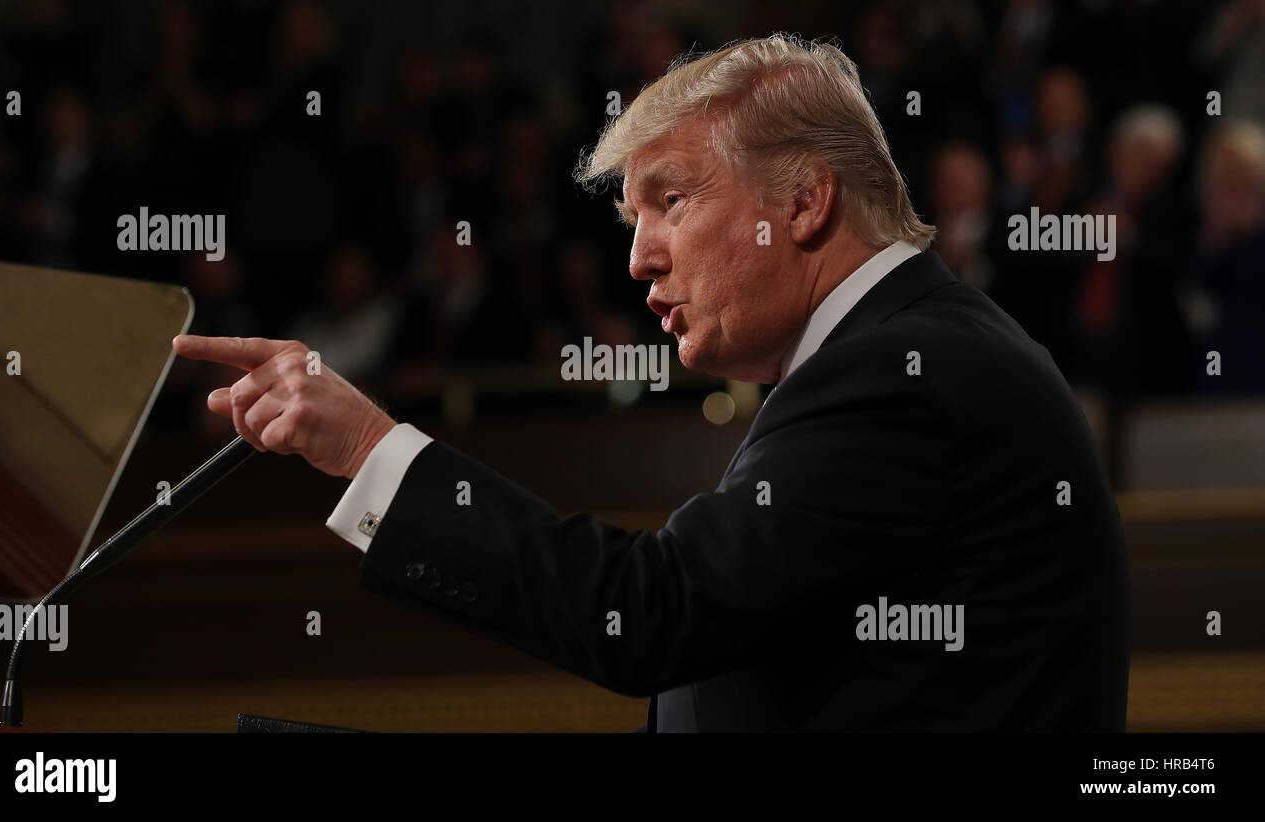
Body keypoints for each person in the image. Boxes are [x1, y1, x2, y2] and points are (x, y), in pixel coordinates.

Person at [173, 35, 1129, 731]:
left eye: (670, 201)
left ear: (802, 201)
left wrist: (366, 449)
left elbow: (653, 613)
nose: (638, 259)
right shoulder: (894, 354)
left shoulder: (909, 371)